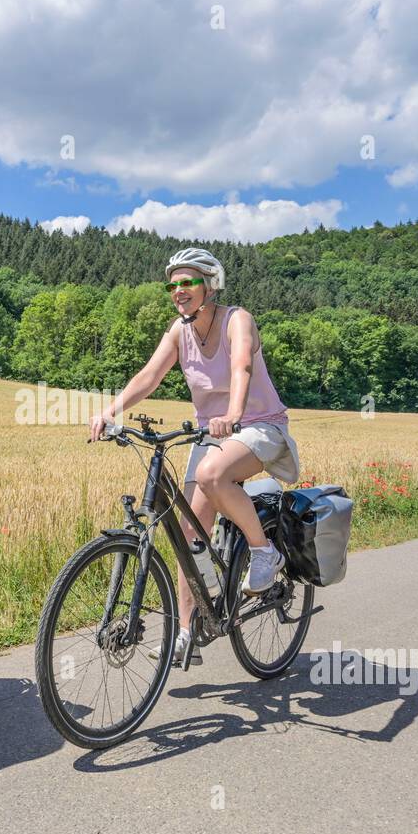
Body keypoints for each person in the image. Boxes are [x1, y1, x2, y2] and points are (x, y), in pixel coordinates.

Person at [88, 247, 301, 664]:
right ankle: (187, 630)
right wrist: (110, 411)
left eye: (187, 282)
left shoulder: (237, 320)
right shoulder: (178, 331)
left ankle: (263, 551)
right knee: (188, 536)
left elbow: (240, 366)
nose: (178, 291)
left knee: (212, 474)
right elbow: (149, 376)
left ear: (210, 285)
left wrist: (234, 413)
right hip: (210, 433)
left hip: (258, 426)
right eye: (173, 284)